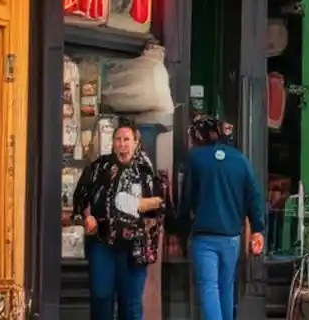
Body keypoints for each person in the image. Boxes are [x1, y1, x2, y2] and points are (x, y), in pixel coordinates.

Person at [72, 120, 166, 320]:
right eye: (118, 139)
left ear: (135, 142)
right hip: (102, 242)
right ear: (112, 142)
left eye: (126, 139)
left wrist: (138, 205)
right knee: (101, 295)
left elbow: (159, 204)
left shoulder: (145, 171)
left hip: (135, 247)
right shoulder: (99, 167)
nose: (122, 144)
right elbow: (81, 196)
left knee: (130, 303)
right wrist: (87, 217)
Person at [178, 115, 267, 320]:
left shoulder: (195, 158)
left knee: (209, 289)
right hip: (232, 238)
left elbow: (187, 199)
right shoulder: (240, 159)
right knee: (226, 289)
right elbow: (254, 196)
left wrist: (180, 231)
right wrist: (257, 229)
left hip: (204, 237)